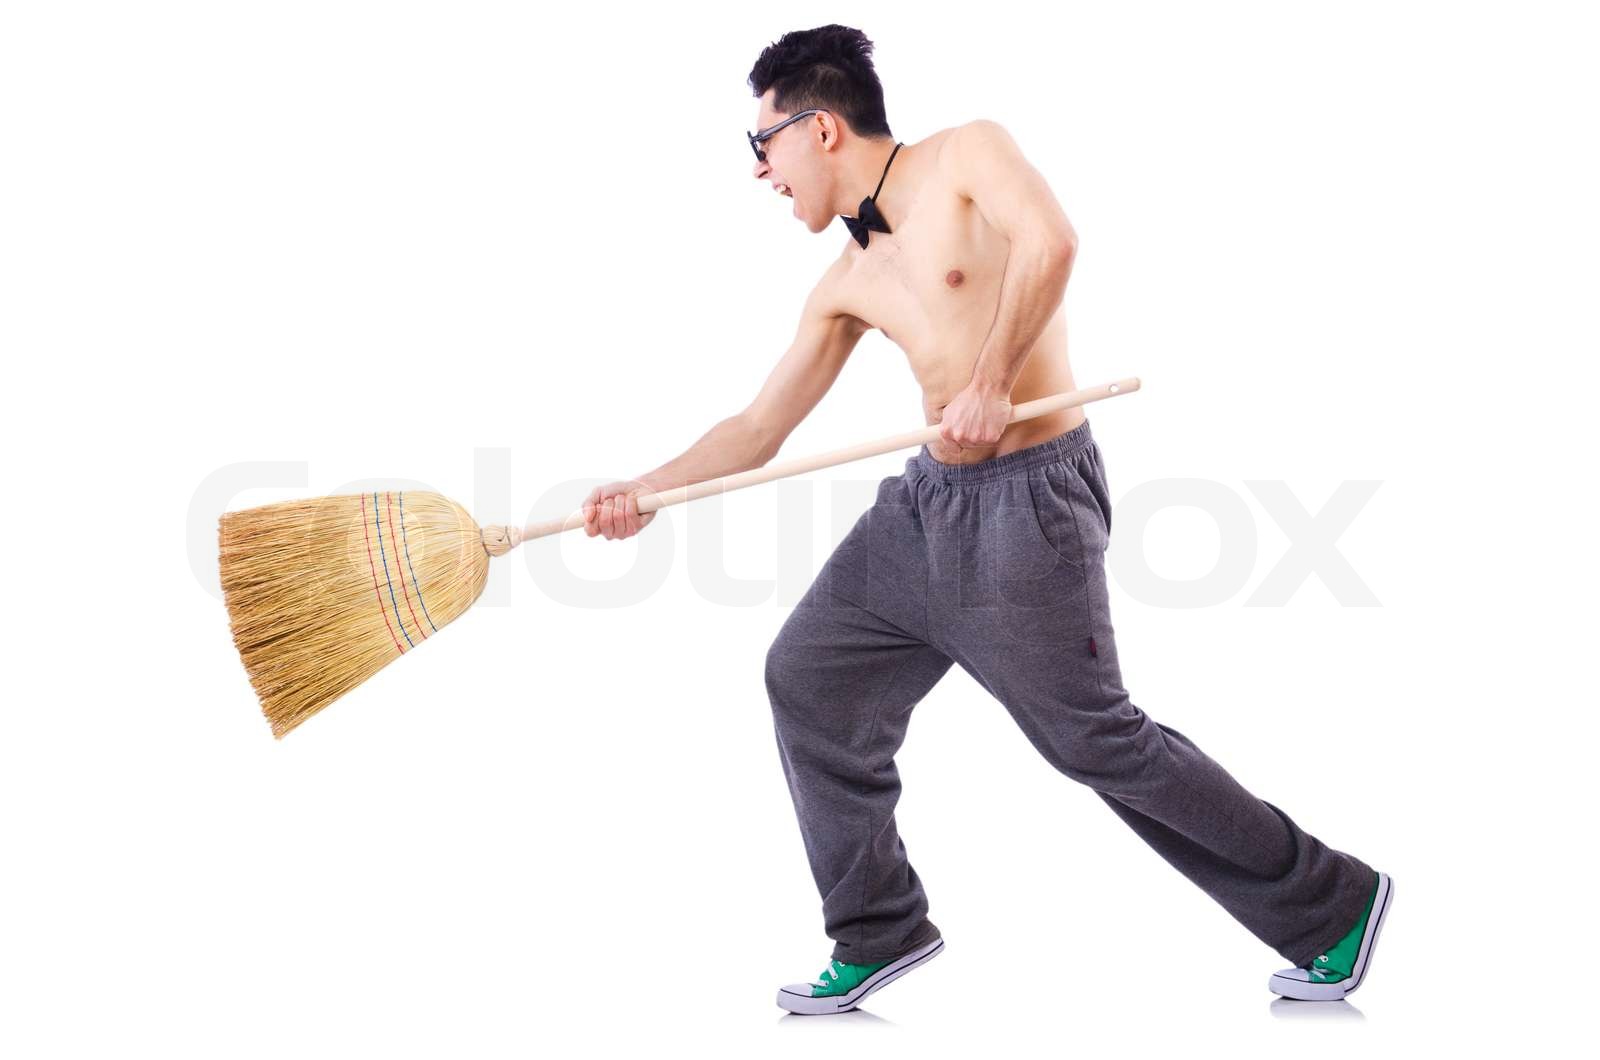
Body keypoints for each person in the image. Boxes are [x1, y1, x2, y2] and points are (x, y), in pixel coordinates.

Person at [581, 24, 1392, 1014]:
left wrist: (992, 379)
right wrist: (644, 491)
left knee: (1094, 742)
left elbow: (1052, 242)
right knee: (809, 676)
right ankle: (878, 923)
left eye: (764, 146)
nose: (760, 172)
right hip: (924, 510)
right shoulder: (844, 283)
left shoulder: (966, 154)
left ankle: (1332, 901)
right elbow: (755, 428)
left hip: (1028, 502)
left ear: (821, 128)